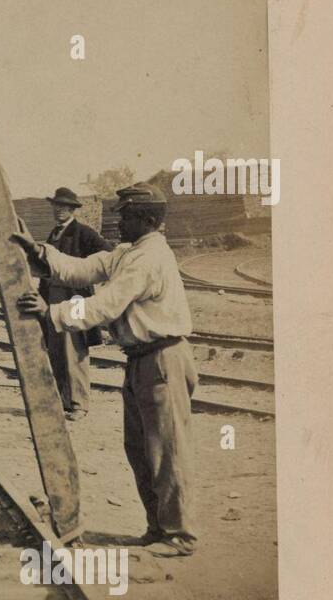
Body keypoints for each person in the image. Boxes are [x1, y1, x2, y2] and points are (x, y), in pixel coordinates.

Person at [12, 183, 200, 557]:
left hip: (163, 359)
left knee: (166, 449)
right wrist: (40, 252)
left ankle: (178, 535)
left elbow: (105, 306)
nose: (118, 223)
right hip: (143, 359)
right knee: (141, 449)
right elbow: (83, 270)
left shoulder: (149, 259)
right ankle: (157, 528)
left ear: (148, 220)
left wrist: (53, 313)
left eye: (125, 216)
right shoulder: (129, 253)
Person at [38, 186, 110, 420]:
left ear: (72, 209)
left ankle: (79, 403)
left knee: (75, 350)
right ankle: (62, 401)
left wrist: (84, 273)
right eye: (57, 206)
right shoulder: (54, 234)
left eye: (65, 207)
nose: (59, 210)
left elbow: (107, 256)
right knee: (57, 350)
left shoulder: (83, 233)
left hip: (76, 298)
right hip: (54, 298)